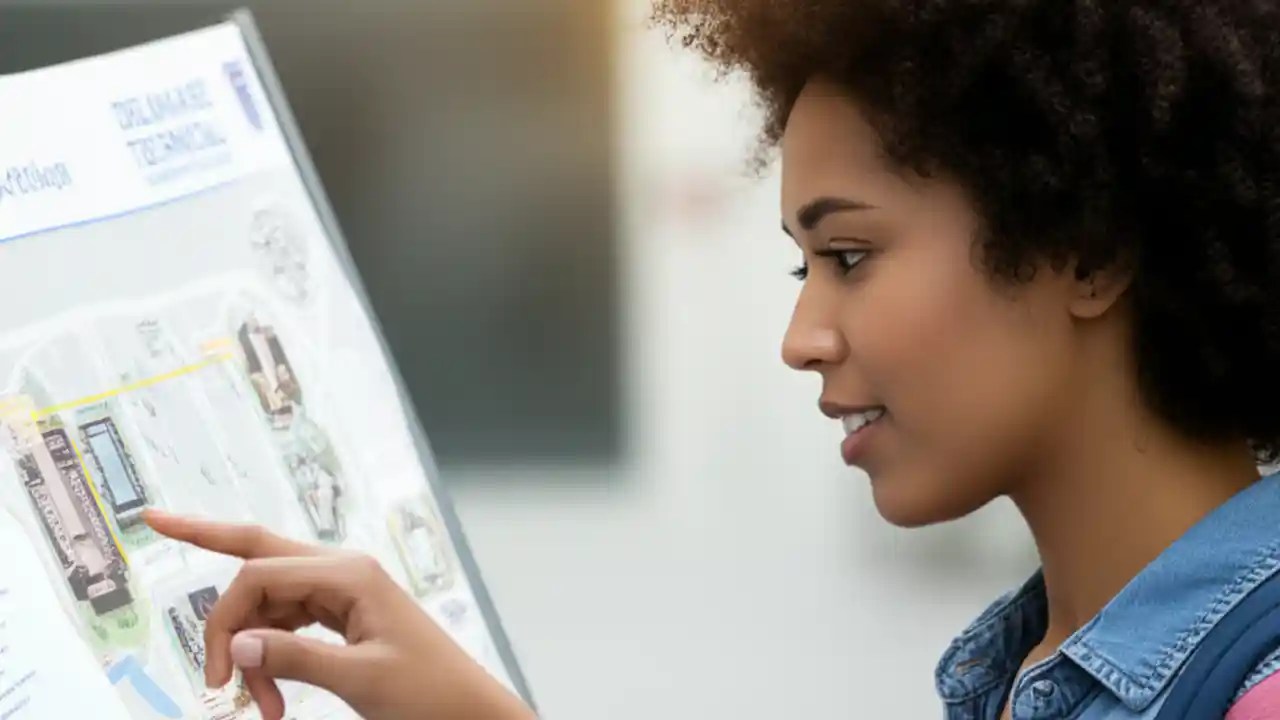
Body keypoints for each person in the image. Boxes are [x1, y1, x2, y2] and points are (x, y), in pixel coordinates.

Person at [147, 1, 1280, 718]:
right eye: (802, 270)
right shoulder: (1028, 671)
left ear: (1082, 250)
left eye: (848, 254)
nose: (799, 341)